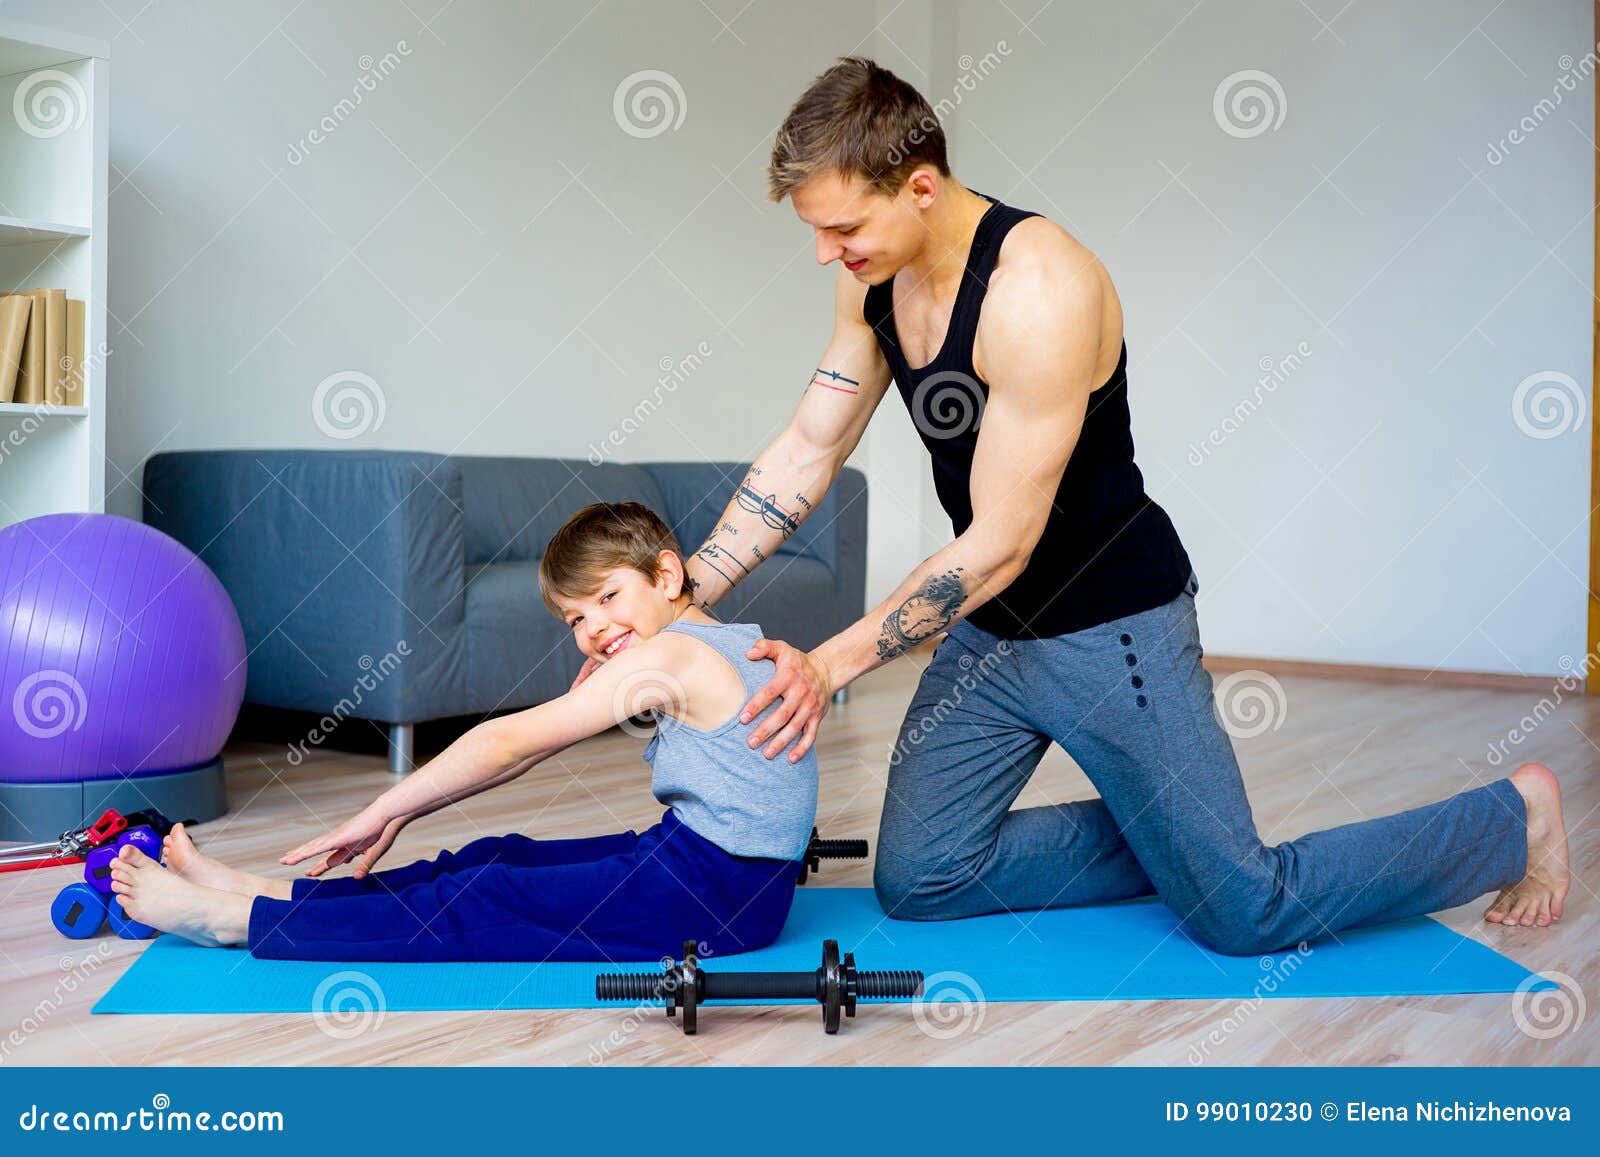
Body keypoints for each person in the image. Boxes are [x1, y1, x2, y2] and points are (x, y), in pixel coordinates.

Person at [631, 57, 1569, 953]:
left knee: (1244, 911)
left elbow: (999, 541)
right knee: (919, 877)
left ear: (918, 186)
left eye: (843, 230)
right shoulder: (872, 279)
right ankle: (1180, 834)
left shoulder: (1041, 289)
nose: (827, 255)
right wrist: (681, 593)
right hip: (990, 635)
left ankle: (1507, 819)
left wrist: (829, 663)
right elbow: (811, 445)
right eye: (818, 234)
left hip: (1110, 627)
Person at [107, 502, 818, 962]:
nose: (596, 628)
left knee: (487, 898)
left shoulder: (672, 657)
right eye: (576, 620)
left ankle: (237, 921)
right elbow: (524, 757)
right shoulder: (724, 641)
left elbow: (509, 743)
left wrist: (388, 805)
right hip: (706, 866)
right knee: (496, 855)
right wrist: (412, 806)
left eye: (607, 597)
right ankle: (267, 891)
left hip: (720, 896)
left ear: (667, 575)